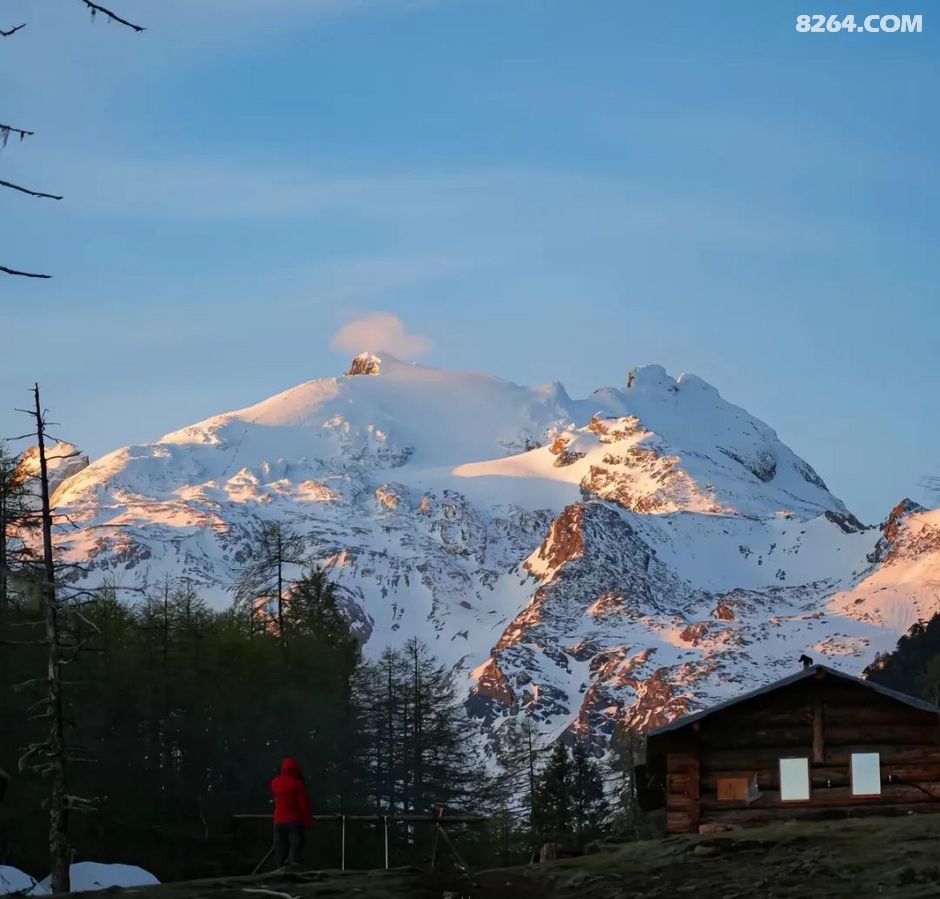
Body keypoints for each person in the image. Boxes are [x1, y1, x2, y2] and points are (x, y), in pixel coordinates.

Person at [271, 757, 314, 868]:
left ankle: (279, 867)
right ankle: (292, 864)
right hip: (294, 819)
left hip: (278, 820)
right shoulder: (297, 784)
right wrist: (309, 822)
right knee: (296, 843)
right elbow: (304, 805)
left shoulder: (275, 782)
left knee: (280, 846)